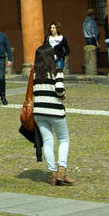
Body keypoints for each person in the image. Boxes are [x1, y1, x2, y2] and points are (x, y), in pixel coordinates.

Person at [32, 45, 73, 185]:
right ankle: (62, 170)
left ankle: (53, 174)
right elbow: (59, 89)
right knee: (64, 139)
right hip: (55, 111)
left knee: (48, 141)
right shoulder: (57, 71)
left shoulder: (34, 73)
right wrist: (63, 96)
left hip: (39, 111)